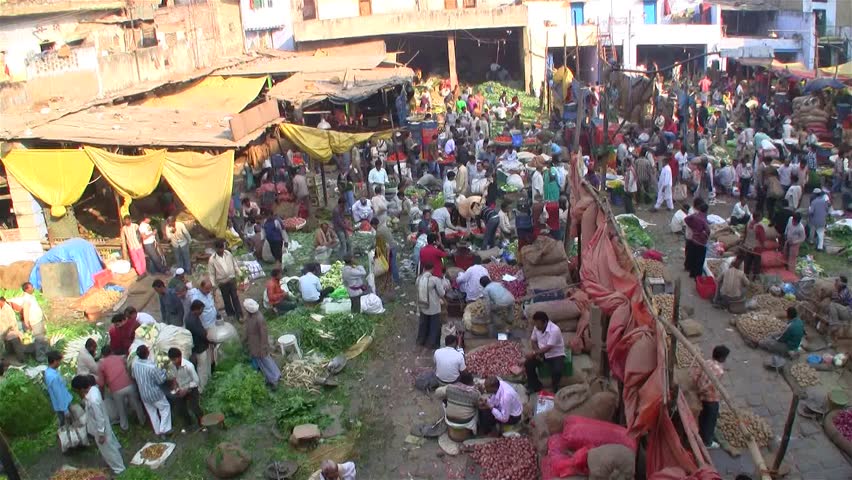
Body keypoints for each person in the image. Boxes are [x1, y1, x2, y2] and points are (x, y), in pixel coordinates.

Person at [71, 375, 125, 474]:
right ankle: (116, 462)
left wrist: (101, 434)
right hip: (101, 425)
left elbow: (99, 418)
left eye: (76, 391)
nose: (77, 393)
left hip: (101, 428)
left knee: (108, 449)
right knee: (110, 446)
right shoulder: (93, 390)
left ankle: (119, 469)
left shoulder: (93, 400)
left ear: (81, 389)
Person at [97, 346, 145, 431]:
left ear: (102, 355)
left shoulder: (101, 364)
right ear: (111, 351)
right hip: (129, 384)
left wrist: (101, 394)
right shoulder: (120, 358)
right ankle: (142, 421)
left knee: (121, 409)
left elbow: (101, 383)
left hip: (116, 389)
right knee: (136, 404)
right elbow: (128, 367)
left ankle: (124, 427)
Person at [691, 345, 729, 449]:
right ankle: (707, 442)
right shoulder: (719, 372)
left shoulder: (706, 362)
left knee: (703, 416)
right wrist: (700, 392)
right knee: (710, 420)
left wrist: (697, 387)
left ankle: (701, 431)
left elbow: (695, 375)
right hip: (710, 399)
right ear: (722, 358)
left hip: (702, 396)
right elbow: (707, 387)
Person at [131, 345, 172, 437]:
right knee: (165, 408)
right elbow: (160, 380)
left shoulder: (135, 364)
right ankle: (164, 430)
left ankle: (157, 431)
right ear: (147, 353)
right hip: (155, 394)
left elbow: (133, 376)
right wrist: (164, 371)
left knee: (152, 413)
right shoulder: (151, 367)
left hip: (143, 394)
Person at [525, 312, 566, 393]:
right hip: (542, 353)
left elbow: (548, 347)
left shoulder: (555, 330)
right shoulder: (536, 327)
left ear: (545, 322)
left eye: (538, 324)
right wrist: (537, 353)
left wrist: (534, 353)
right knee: (528, 364)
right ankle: (535, 385)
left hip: (555, 354)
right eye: (535, 324)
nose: (536, 326)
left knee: (557, 371)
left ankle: (555, 388)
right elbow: (533, 340)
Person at [244, 299, 280, 388]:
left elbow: (264, 334)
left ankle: (274, 379)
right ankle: (273, 376)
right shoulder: (250, 316)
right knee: (262, 361)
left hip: (259, 345)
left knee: (265, 361)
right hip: (254, 343)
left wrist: (263, 347)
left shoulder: (259, 318)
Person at [166, 348, 204, 431]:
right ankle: (188, 423)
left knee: (195, 407)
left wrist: (186, 389)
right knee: (181, 408)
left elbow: (196, 381)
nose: (173, 362)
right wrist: (175, 385)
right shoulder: (171, 365)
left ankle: (202, 423)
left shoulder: (189, 366)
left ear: (180, 357)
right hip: (180, 388)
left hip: (191, 388)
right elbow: (174, 377)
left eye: (174, 359)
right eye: (171, 360)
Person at [208, 239, 242, 321]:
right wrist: (213, 285)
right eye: (219, 248)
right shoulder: (212, 260)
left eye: (222, 248)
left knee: (235, 297)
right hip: (222, 283)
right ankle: (230, 313)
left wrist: (239, 273)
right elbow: (211, 274)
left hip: (232, 279)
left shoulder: (228, 254)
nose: (222, 250)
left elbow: (234, 264)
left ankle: (239, 315)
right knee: (226, 299)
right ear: (216, 249)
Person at [416, 262, 447, 349]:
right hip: (433, 307)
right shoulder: (434, 280)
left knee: (423, 324)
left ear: (424, 269)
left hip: (422, 304)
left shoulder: (419, 279)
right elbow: (442, 293)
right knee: (434, 325)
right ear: (432, 269)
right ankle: (431, 343)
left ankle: (421, 340)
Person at [184, 300, 211, 393]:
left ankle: (207, 382)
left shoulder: (192, 316)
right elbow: (202, 333)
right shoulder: (192, 320)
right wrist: (208, 335)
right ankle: (202, 388)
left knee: (206, 365)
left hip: (201, 345)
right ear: (196, 309)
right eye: (201, 310)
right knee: (202, 368)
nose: (202, 312)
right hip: (200, 347)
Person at [46, 351, 73, 426]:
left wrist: (65, 380)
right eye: (59, 361)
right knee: (66, 425)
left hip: (63, 403)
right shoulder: (53, 378)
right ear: (54, 361)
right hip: (62, 406)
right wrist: (65, 410)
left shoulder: (50, 372)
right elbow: (58, 395)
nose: (59, 363)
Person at [684, 203, 710, 278]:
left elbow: (686, 219)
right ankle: (697, 276)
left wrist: (692, 227)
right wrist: (705, 235)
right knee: (699, 260)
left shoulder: (695, 216)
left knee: (693, 257)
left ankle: (692, 274)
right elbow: (708, 230)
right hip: (701, 243)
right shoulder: (704, 219)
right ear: (706, 210)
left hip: (693, 240)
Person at [741, 211, 767, 280]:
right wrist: (764, 246)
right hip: (756, 249)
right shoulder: (759, 226)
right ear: (758, 217)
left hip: (748, 247)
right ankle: (754, 280)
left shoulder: (748, 223)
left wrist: (744, 243)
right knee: (756, 265)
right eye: (760, 216)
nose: (761, 217)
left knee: (747, 263)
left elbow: (745, 234)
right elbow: (763, 239)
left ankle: (745, 277)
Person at [0, 297, 24, 363]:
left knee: (16, 345)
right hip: (2, 331)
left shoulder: (7, 308)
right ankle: (8, 357)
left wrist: (14, 331)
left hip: (11, 331)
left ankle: (21, 359)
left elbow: (13, 321)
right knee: (7, 346)